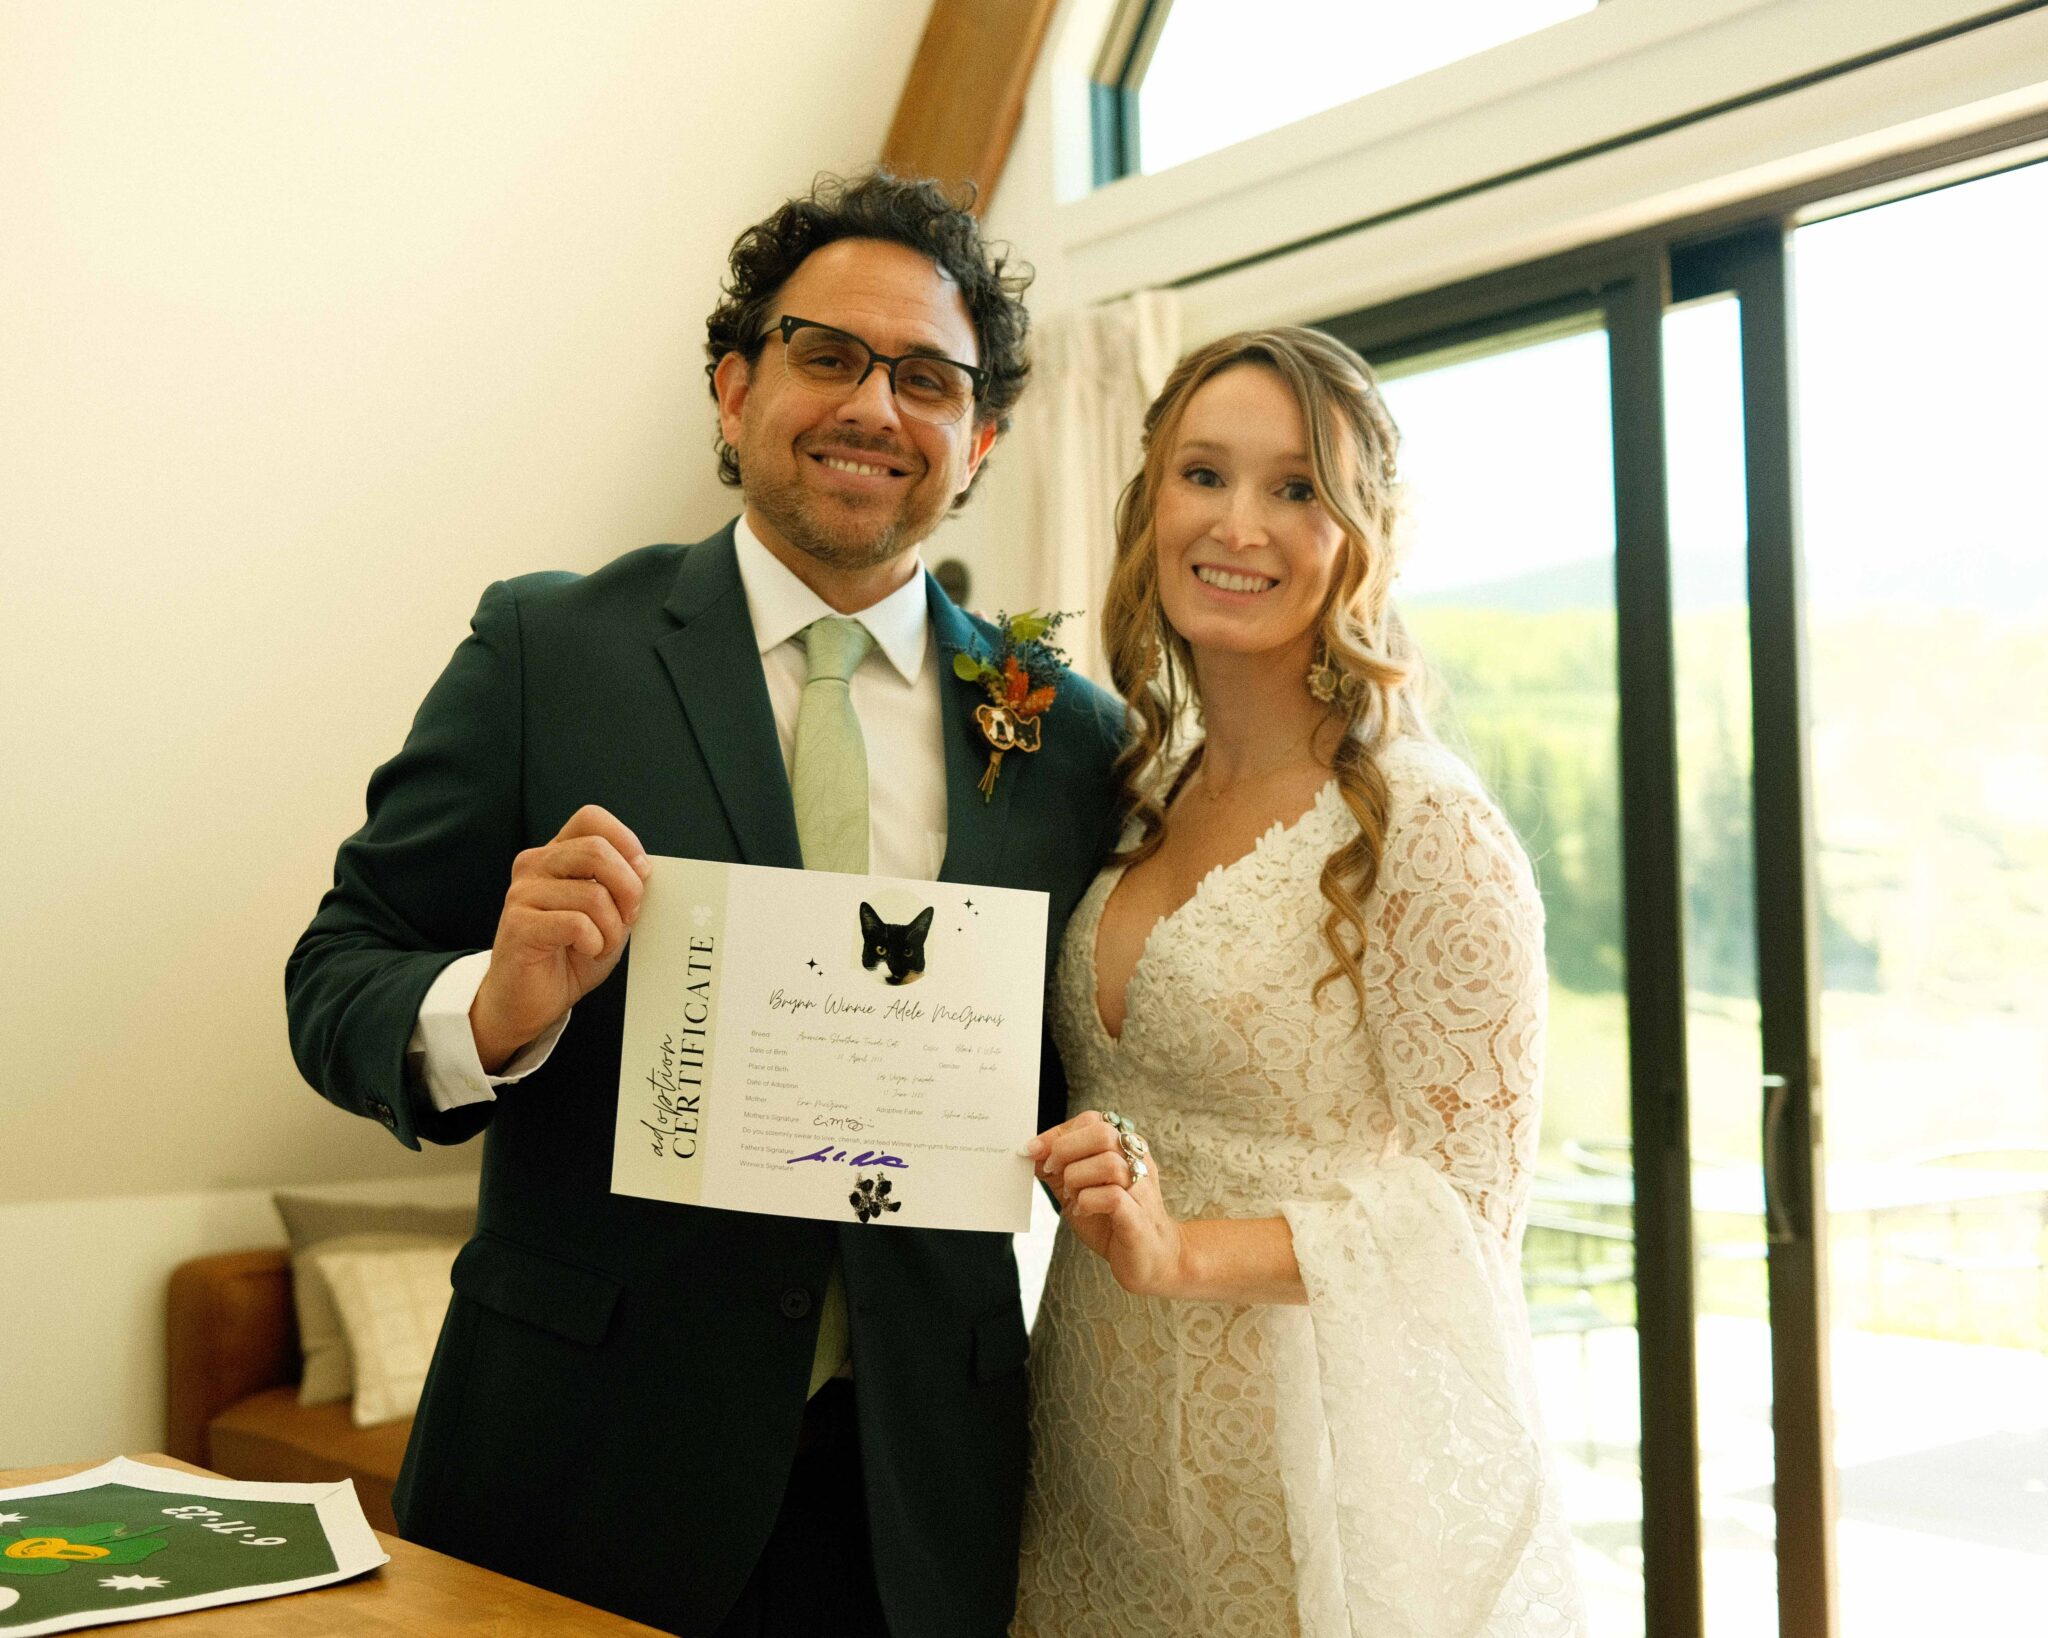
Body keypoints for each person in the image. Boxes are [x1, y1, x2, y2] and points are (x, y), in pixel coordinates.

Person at [285, 171, 1125, 1638]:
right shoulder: (549, 647)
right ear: (736, 389)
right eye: (827, 355)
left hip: (920, 1493)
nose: (875, 404)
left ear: (978, 440)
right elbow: (334, 971)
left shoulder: (1067, 729)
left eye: (927, 378)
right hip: (579, 1466)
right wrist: (490, 1005)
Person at [1014, 328, 1584, 1636]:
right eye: (1204, 473)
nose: (1239, 522)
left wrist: (1178, 1249)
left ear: (1360, 532)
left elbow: (1466, 1218)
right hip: (1088, 1460)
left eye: (1294, 487)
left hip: (1295, 1473)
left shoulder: (1427, 827)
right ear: (1150, 500)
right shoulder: (1139, 795)